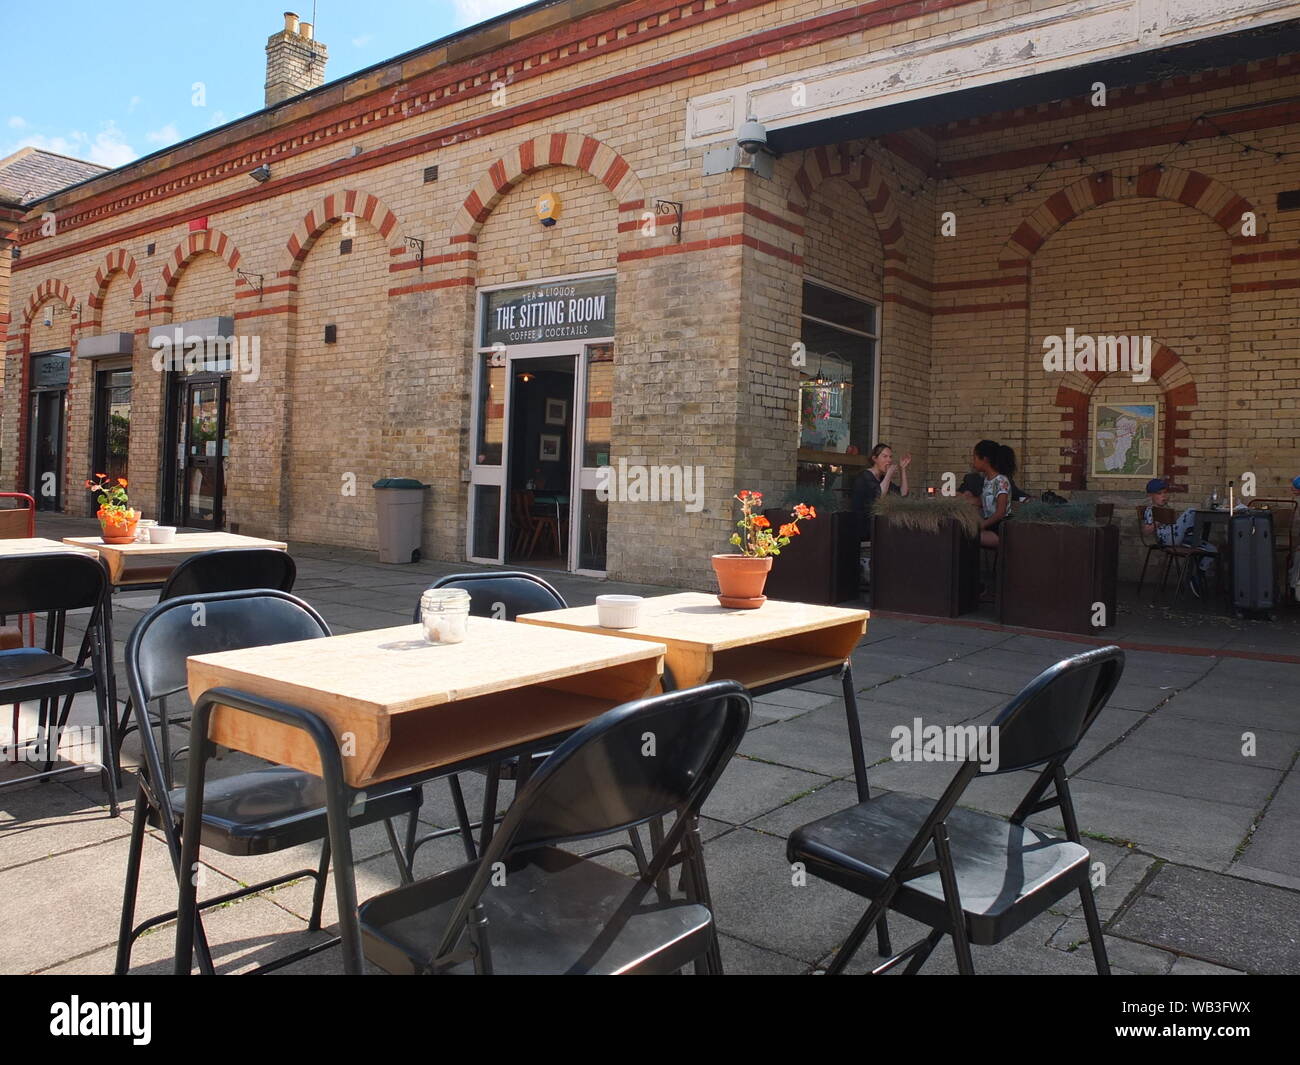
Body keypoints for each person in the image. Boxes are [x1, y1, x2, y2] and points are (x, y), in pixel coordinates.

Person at [1141, 478, 1215, 597]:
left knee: (1212, 549)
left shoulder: (1166, 508)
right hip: (1167, 540)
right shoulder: (1151, 510)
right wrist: (1158, 522)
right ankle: (1191, 535)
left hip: (1177, 537)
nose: (1163, 496)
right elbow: (1146, 531)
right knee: (1191, 511)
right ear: (1151, 495)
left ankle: (1197, 575)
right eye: (1159, 494)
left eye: (1165, 493)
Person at [852, 443, 910, 540]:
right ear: (875, 459)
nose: (889, 460)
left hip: (878, 526)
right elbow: (879, 495)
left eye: (890, 457)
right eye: (885, 456)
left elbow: (903, 493)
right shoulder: (865, 477)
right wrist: (889, 474)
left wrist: (902, 469)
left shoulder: (882, 478)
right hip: (864, 527)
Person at [971, 439, 1015, 548]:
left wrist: (982, 524)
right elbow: (982, 502)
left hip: (1000, 529)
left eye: (975, 458)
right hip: (990, 526)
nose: (973, 462)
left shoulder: (1000, 481)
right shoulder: (987, 480)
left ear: (985, 459)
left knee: (968, 537)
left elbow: (1000, 513)